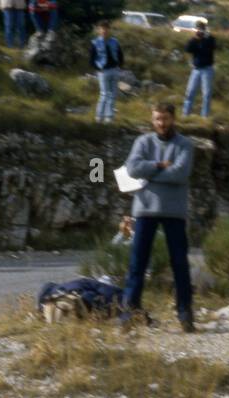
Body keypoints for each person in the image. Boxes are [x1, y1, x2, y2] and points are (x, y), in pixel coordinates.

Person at [119, 103, 195, 332]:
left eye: (165, 118)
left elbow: (181, 173)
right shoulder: (143, 142)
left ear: (173, 118)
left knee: (179, 264)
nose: (161, 123)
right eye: (157, 119)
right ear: (152, 120)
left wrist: (149, 173)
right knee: (137, 265)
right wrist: (160, 165)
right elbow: (132, 169)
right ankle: (129, 314)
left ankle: (185, 313)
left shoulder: (185, 144)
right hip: (144, 211)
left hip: (174, 212)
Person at [90, 19, 122, 123]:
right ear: (99, 30)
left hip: (114, 69)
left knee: (113, 94)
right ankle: (99, 116)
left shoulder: (115, 41)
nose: (104, 31)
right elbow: (92, 58)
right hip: (103, 71)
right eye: (102, 29)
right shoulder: (95, 42)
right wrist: (98, 68)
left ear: (109, 29)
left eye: (106, 28)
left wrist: (119, 66)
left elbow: (120, 55)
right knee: (104, 94)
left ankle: (109, 117)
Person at [182, 21, 215, 118]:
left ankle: (205, 116)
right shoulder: (194, 39)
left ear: (205, 29)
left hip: (207, 69)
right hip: (196, 69)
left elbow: (209, 49)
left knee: (206, 94)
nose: (199, 31)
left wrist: (204, 39)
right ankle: (185, 115)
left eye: (201, 29)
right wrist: (194, 39)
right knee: (190, 92)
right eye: (197, 29)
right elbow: (188, 49)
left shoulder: (210, 39)